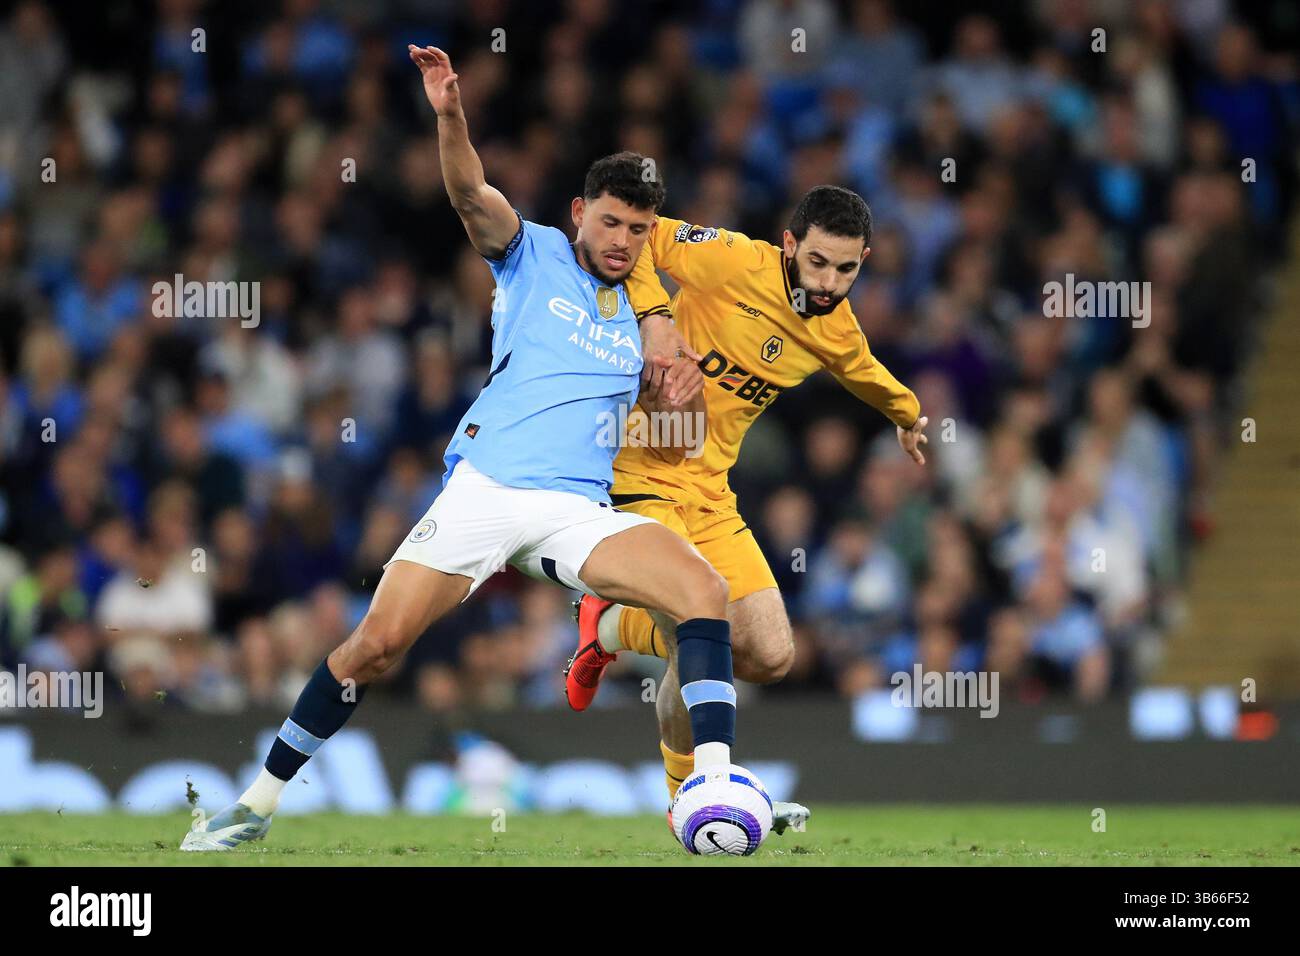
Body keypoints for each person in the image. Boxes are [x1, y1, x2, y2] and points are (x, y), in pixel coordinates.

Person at [182, 46, 737, 850]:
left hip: (577, 509)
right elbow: (470, 193)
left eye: (639, 228)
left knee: (704, 591)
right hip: (487, 490)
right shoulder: (533, 251)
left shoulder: (650, 319)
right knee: (374, 649)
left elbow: (661, 417)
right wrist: (450, 115)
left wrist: (674, 396)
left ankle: (713, 786)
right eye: (611, 221)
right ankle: (257, 802)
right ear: (581, 213)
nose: (623, 238)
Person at [565, 185, 929, 819]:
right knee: (694, 622)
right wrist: (656, 317)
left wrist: (910, 416)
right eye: (817, 262)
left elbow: (867, 372)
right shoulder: (733, 259)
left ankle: (607, 627)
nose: (829, 282)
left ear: (864, 260)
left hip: (710, 490)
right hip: (638, 462)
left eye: (846, 268)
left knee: (768, 654)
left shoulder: (834, 328)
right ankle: (693, 803)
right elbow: (645, 235)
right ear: (790, 244)